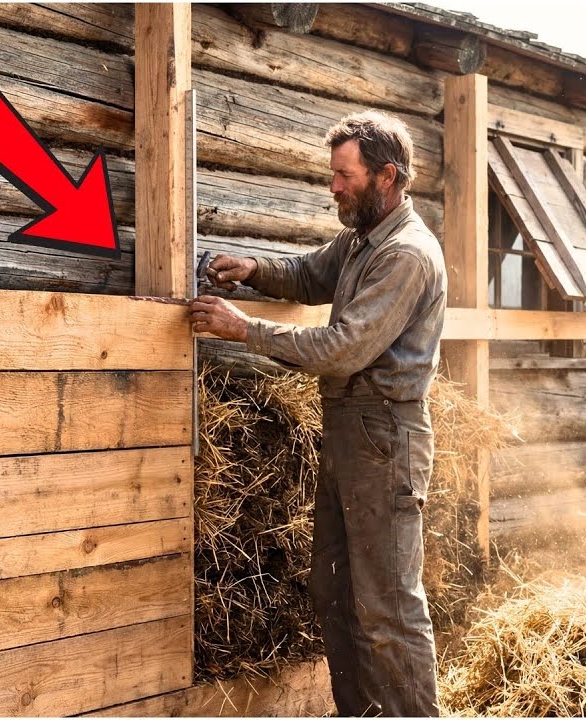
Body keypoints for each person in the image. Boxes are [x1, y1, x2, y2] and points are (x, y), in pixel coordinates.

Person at [189, 111, 445, 717]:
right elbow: (310, 274)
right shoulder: (362, 239)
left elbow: (343, 349)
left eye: (344, 176)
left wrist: (243, 329)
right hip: (351, 432)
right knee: (334, 591)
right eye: (332, 175)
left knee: (389, 607)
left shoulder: (405, 254)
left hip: (385, 435)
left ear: (388, 176)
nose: (333, 187)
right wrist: (255, 269)